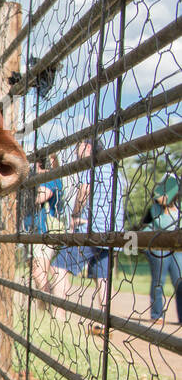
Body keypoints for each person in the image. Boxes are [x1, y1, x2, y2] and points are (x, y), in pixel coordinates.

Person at [51, 136, 126, 327]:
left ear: (88, 146)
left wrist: (75, 214)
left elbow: (85, 190)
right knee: (102, 277)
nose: (76, 151)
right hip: (111, 231)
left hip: (89, 229)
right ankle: (103, 321)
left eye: (78, 146)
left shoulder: (90, 165)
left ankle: (58, 315)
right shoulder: (113, 168)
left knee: (59, 267)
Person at [138, 173, 180, 324]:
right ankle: (157, 315)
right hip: (157, 246)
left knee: (179, 280)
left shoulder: (179, 209)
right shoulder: (155, 209)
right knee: (159, 281)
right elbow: (163, 226)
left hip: (176, 248)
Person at [22, 155, 66, 298]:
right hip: (31, 229)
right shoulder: (36, 179)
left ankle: (48, 305)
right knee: (37, 271)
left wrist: (23, 187)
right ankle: (46, 305)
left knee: (39, 272)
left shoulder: (50, 178)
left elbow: (39, 197)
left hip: (43, 230)